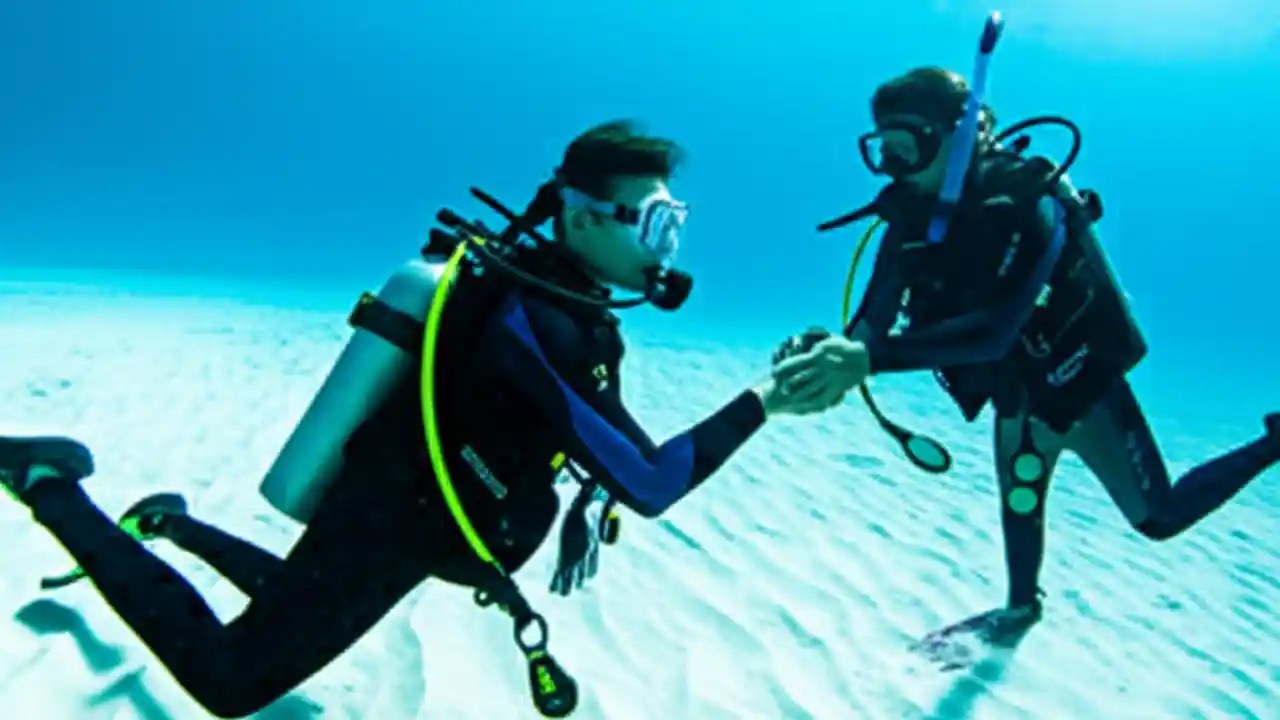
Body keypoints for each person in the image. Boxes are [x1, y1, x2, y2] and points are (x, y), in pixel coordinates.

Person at [0, 120, 859, 719]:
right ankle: (51, 485)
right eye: (656, 222)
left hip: (419, 516)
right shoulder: (541, 320)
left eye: (675, 223)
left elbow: (592, 441)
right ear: (584, 212)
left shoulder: (569, 306)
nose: (666, 247)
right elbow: (649, 479)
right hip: (394, 519)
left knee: (313, 598)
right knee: (230, 681)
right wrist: (767, 402)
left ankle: (175, 523)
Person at [772, 63, 1280, 651]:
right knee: (1020, 507)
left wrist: (865, 362)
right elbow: (870, 323)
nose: (894, 168)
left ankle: (1273, 443)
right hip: (1014, 398)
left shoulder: (1023, 199)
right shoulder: (906, 222)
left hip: (1081, 389)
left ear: (959, 136)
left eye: (906, 147)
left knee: (1158, 518)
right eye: (883, 151)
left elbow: (994, 330)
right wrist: (824, 350)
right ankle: (1020, 610)